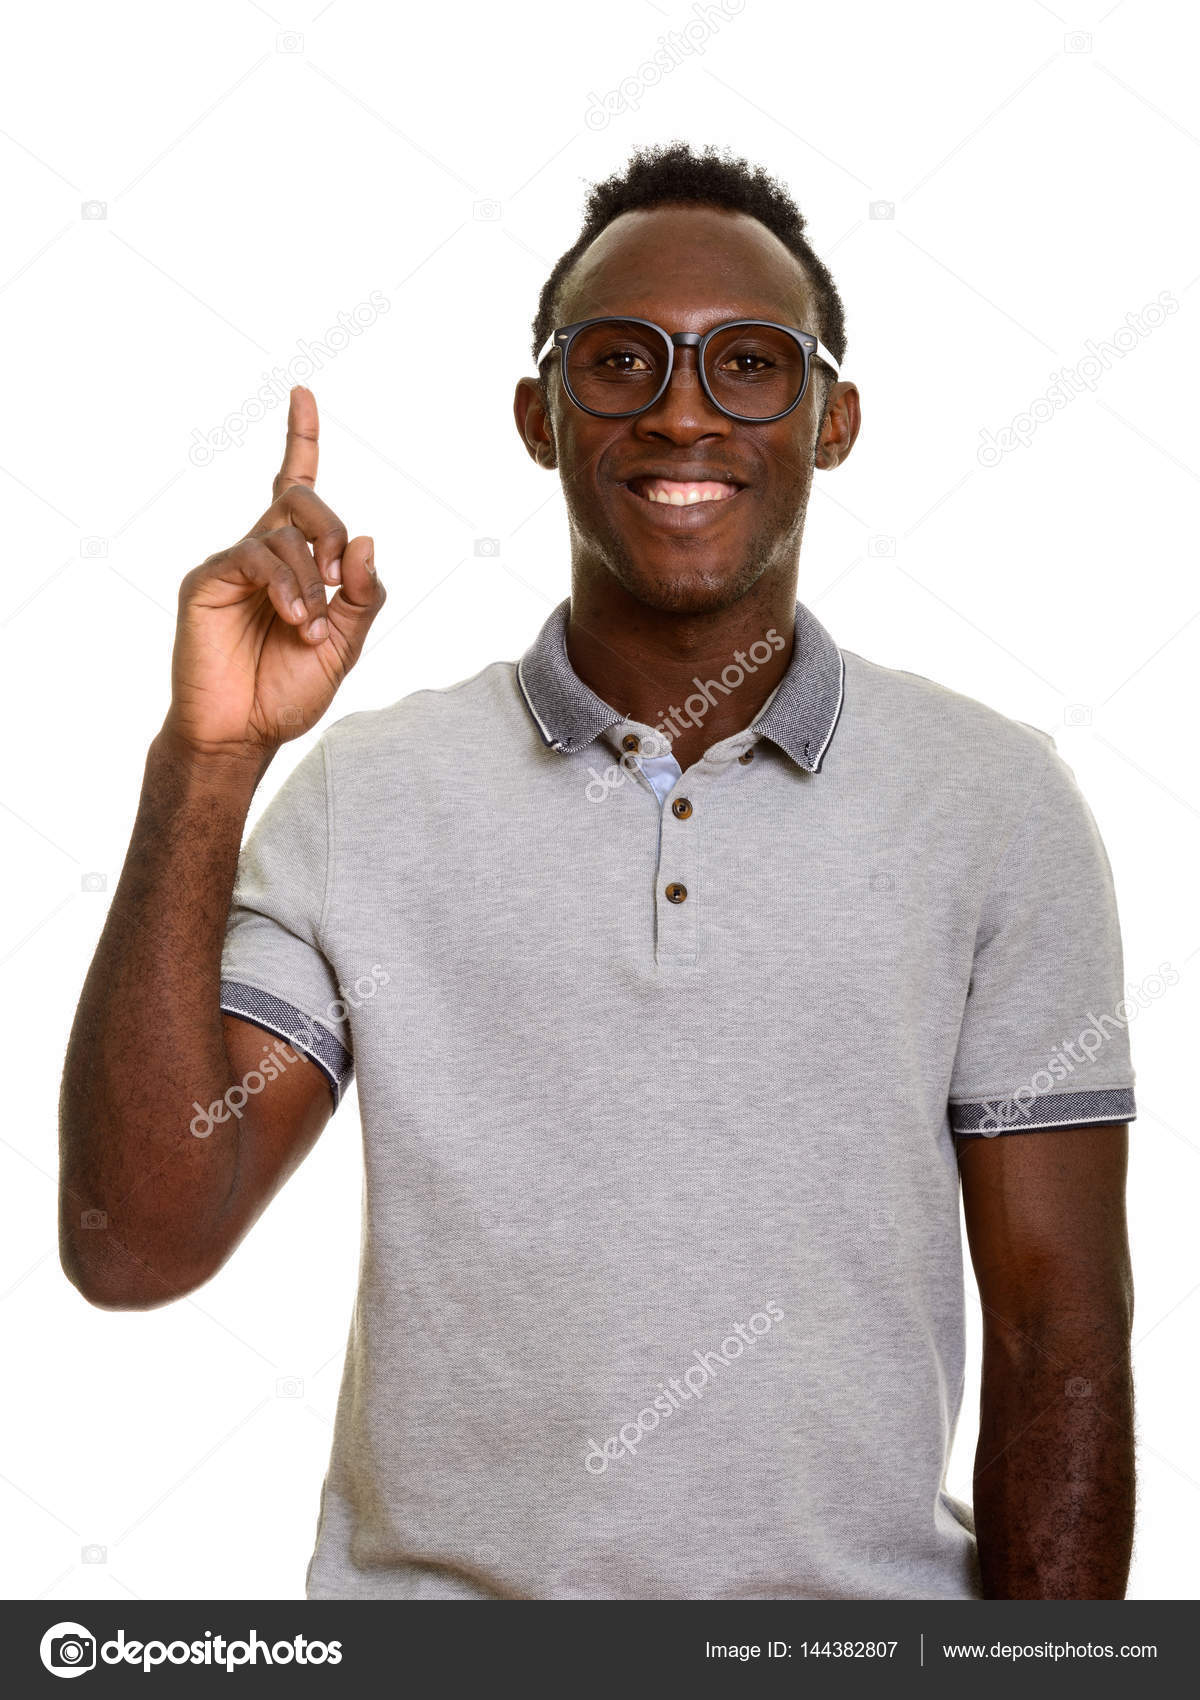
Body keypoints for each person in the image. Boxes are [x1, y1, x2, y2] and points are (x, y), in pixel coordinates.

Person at [59, 142, 1137, 1601]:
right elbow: (136, 1242)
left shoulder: (993, 803)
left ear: (834, 421)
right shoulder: (368, 797)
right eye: (620, 362)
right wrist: (207, 757)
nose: (684, 410)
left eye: (749, 364)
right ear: (541, 415)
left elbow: (1057, 1330)